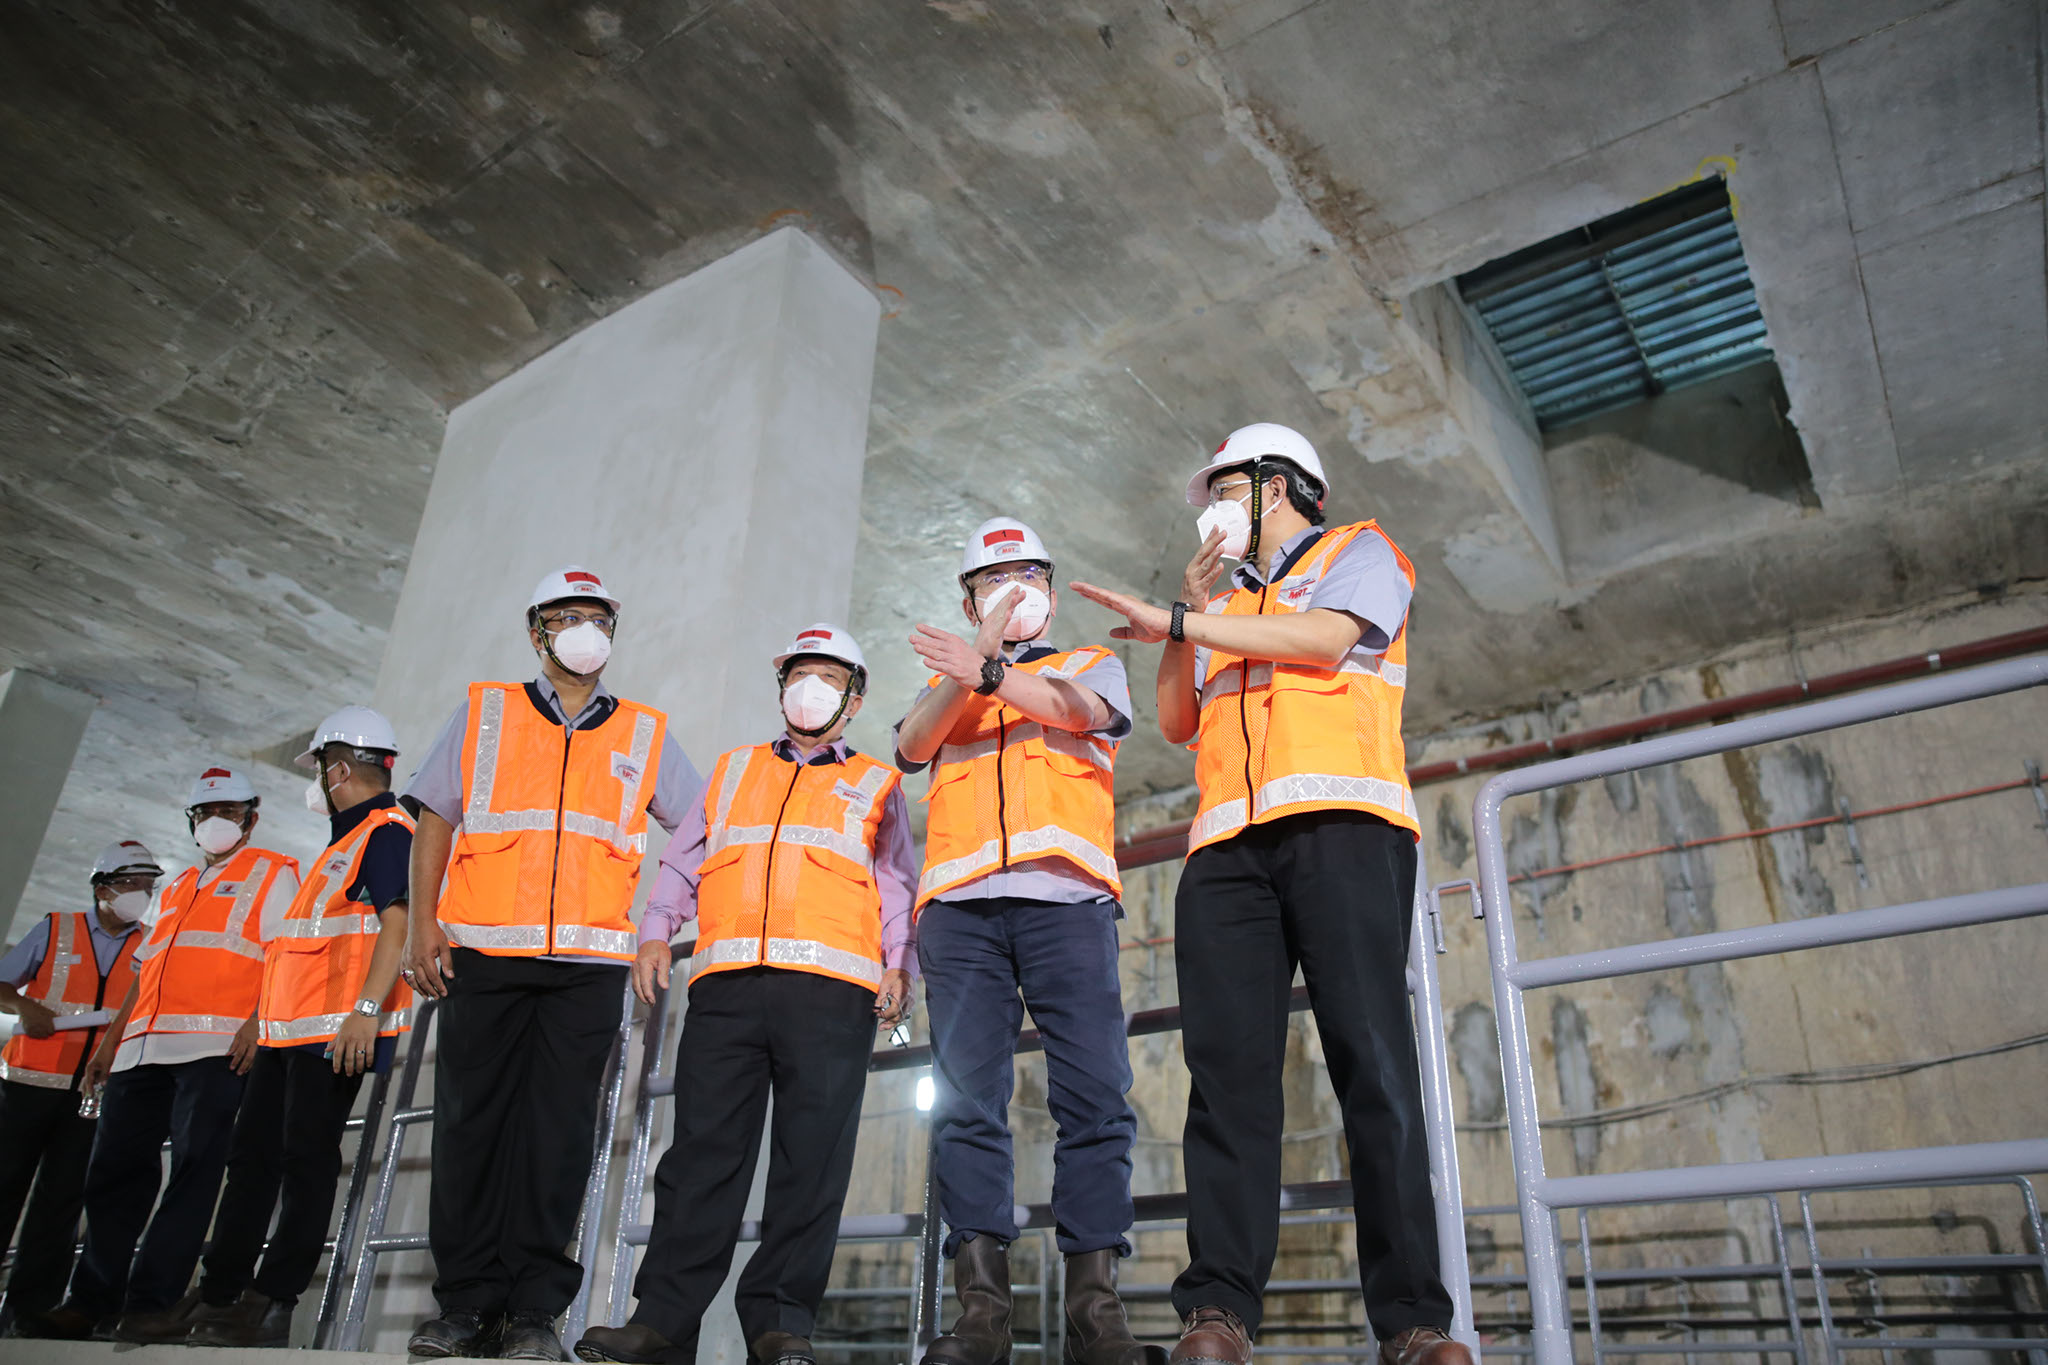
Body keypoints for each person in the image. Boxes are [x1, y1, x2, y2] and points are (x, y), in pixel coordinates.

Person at [1070, 423, 1469, 1365]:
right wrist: (1185, 615)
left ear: (1277, 485)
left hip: (1345, 829)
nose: (1210, 505)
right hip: (1227, 850)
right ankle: (1219, 1314)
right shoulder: (1219, 606)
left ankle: (1413, 1321)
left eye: (1224, 485)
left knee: (1373, 1068)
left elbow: (1327, 644)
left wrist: (1184, 623)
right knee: (1228, 1080)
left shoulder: (1360, 552)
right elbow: (1176, 719)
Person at [576, 624, 917, 1365]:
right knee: (701, 1156)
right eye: (800, 672)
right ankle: (663, 1321)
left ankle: (780, 1321)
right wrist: (656, 930)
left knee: (811, 1159)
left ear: (853, 698)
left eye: (829, 675)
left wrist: (901, 964)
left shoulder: (877, 783)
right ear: (781, 686)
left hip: (833, 991)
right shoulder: (731, 770)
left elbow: (896, 883)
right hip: (727, 987)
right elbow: (682, 858)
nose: (811, 687)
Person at [400, 565, 702, 1363]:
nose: (587, 629)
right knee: (471, 1129)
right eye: (570, 615)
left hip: (588, 968)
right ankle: (465, 1306)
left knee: (559, 1137)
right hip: (485, 956)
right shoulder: (486, 712)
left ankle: (534, 1311)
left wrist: (660, 922)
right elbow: (435, 813)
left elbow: (700, 829)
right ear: (538, 631)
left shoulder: (643, 732)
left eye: (600, 617)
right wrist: (421, 924)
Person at [894, 517, 1153, 1365]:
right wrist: (970, 666)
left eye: (1028, 574)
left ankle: (1095, 1309)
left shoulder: (1090, 664)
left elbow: (1080, 712)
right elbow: (911, 743)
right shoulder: (950, 681)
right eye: (994, 578)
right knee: (968, 1104)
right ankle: (981, 1314)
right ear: (968, 598)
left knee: (1096, 1098)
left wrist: (995, 671)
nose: (1015, 589)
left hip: (1066, 904)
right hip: (963, 914)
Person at [38, 767, 299, 1344]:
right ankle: (91, 1301)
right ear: (191, 822)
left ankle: (150, 1303)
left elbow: (285, 955)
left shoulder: (273, 873)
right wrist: (110, 1042)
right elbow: (143, 969)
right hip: (138, 1052)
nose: (216, 823)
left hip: (215, 1048)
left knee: (192, 1173)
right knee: (113, 1176)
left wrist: (259, 1025)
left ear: (250, 818)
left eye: (229, 813)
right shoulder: (177, 886)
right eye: (206, 814)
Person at [186, 706, 415, 1348]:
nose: (316, 780)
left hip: (333, 1035)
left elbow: (396, 925)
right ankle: (220, 1294)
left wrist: (365, 1014)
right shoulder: (341, 844)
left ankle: (271, 1301)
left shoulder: (388, 832)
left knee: (305, 1163)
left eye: (318, 767)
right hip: (285, 1037)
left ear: (338, 768)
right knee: (252, 1160)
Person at [0, 840, 155, 1333]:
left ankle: (28, 1314)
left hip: (93, 1096)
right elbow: (3, 985)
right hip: (27, 1086)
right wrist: (26, 1007)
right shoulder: (55, 928)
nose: (140, 894)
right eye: (131, 884)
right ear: (102, 887)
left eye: (148, 886)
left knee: (60, 1205)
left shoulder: (149, 943)